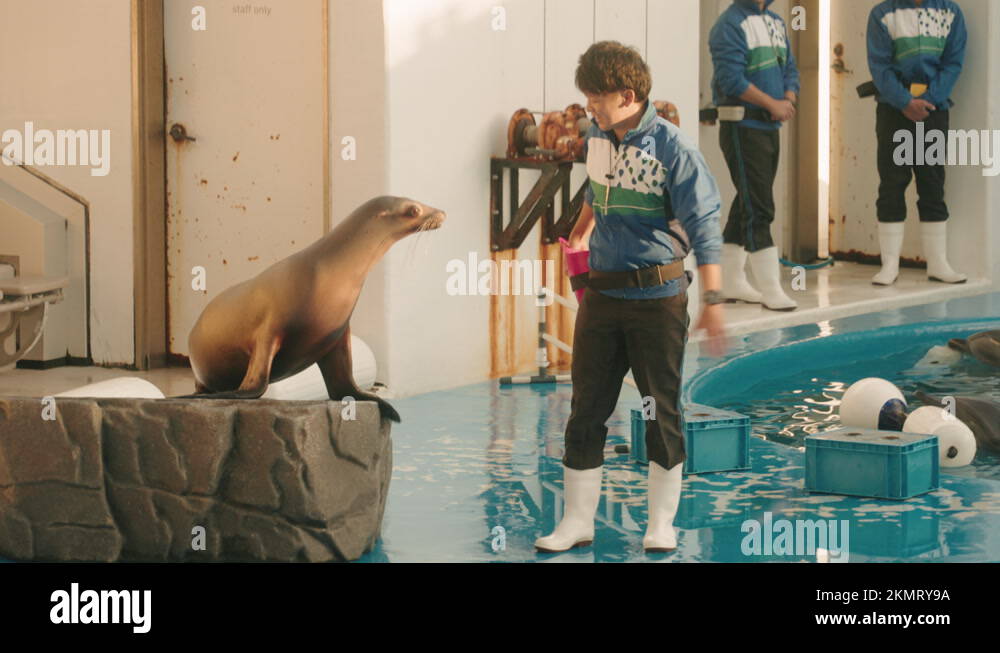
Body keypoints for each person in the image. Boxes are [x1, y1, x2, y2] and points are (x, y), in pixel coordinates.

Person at [534, 41, 726, 554]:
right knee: (586, 409)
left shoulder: (674, 149)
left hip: (657, 297)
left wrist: (715, 299)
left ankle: (661, 524)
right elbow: (599, 193)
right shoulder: (599, 137)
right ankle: (577, 521)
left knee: (659, 410)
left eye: (597, 96)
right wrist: (579, 232)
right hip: (602, 293)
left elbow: (706, 227)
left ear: (628, 93)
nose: (590, 106)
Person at [867, 0, 967, 285]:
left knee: (932, 182)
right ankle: (889, 265)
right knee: (892, 183)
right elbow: (880, 66)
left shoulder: (951, 12)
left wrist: (929, 100)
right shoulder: (882, 14)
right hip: (893, 110)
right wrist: (904, 102)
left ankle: (938, 264)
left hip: (934, 110)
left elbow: (953, 62)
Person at [709, 0, 800, 311]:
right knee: (760, 206)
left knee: (748, 199)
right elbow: (731, 79)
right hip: (742, 125)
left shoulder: (776, 22)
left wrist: (788, 96)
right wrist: (771, 104)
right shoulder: (728, 24)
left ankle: (732, 280)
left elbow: (789, 66)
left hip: (769, 127)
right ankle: (771, 288)